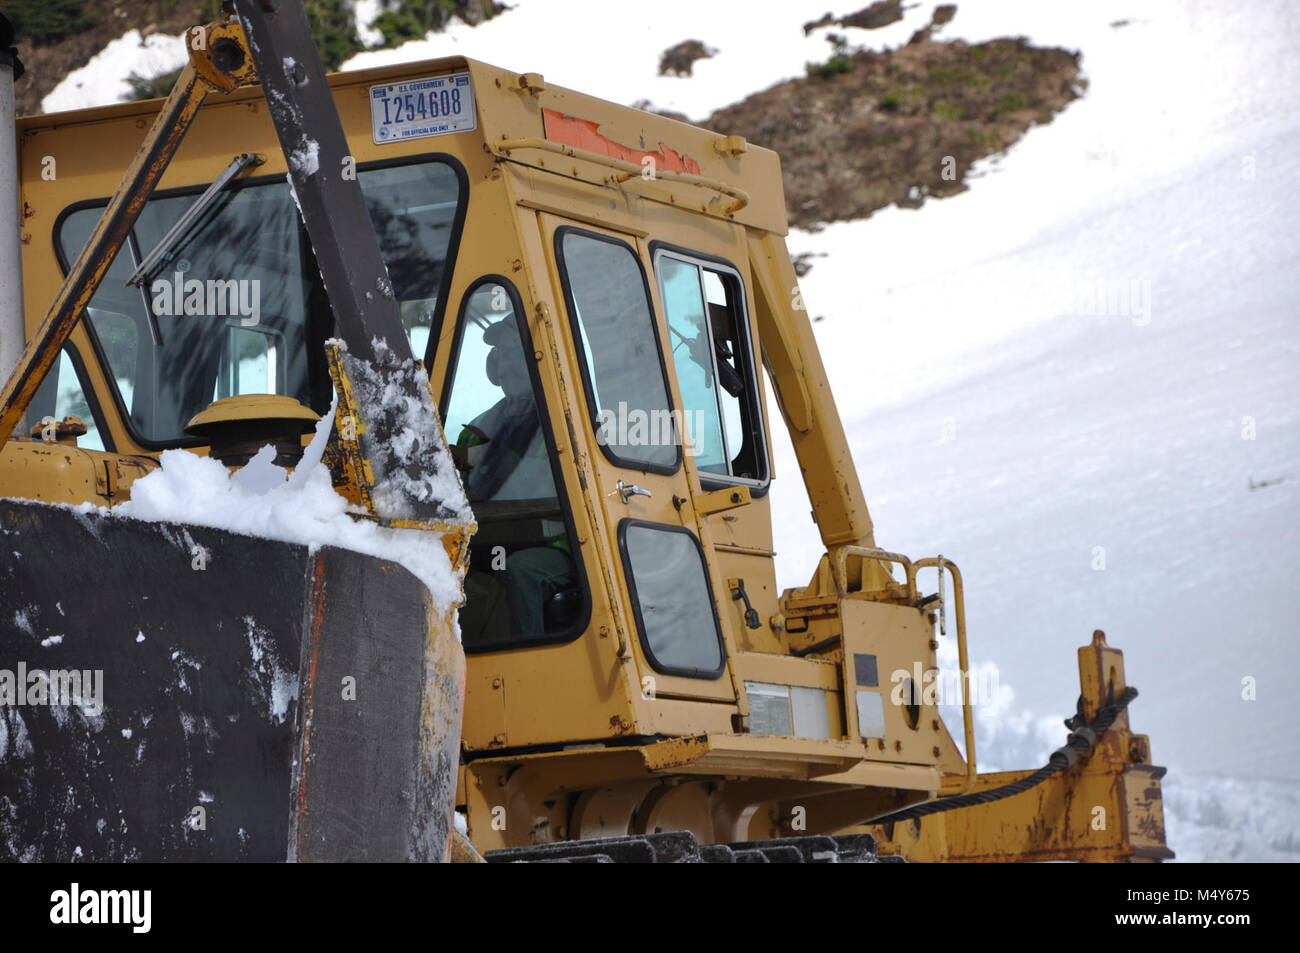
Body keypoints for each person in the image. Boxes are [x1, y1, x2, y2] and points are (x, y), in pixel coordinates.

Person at [454, 317, 576, 644]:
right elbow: (458, 492)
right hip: (493, 539)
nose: (506, 365)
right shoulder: (477, 430)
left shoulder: (566, 423)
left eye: (514, 354)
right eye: (500, 356)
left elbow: (539, 488)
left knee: (519, 571)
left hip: (562, 546)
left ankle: (532, 667)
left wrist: (494, 462)